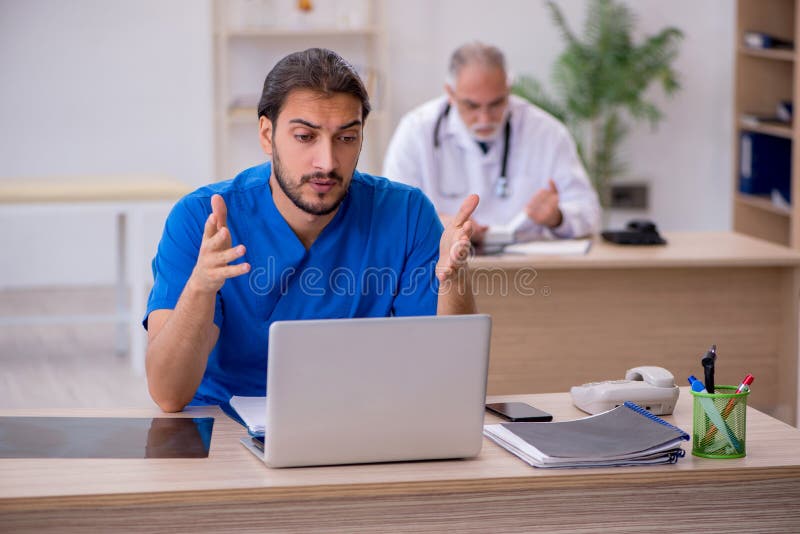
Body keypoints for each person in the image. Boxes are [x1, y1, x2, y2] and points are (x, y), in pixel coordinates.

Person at [144, 48, 478, 413]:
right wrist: (200, 287)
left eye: (347, 138)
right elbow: (168, 393)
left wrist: (453, 281)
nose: (327, 162)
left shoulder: (407, 214)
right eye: (305, 136)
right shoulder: (200, 218)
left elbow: (445, 381)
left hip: (360, 422)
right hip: (223, 429)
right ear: (267, 134)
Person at [383, 42, 600, 244]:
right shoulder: (416, 131)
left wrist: (557, 217)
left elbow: (588, 212)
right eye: (472, 106)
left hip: (530, 269)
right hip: (442, 266)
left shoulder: (547, 133)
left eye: (496, 104)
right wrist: (437, 223)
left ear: (508, 90)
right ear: (450, 93)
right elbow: (392, 214)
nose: (485, 118)